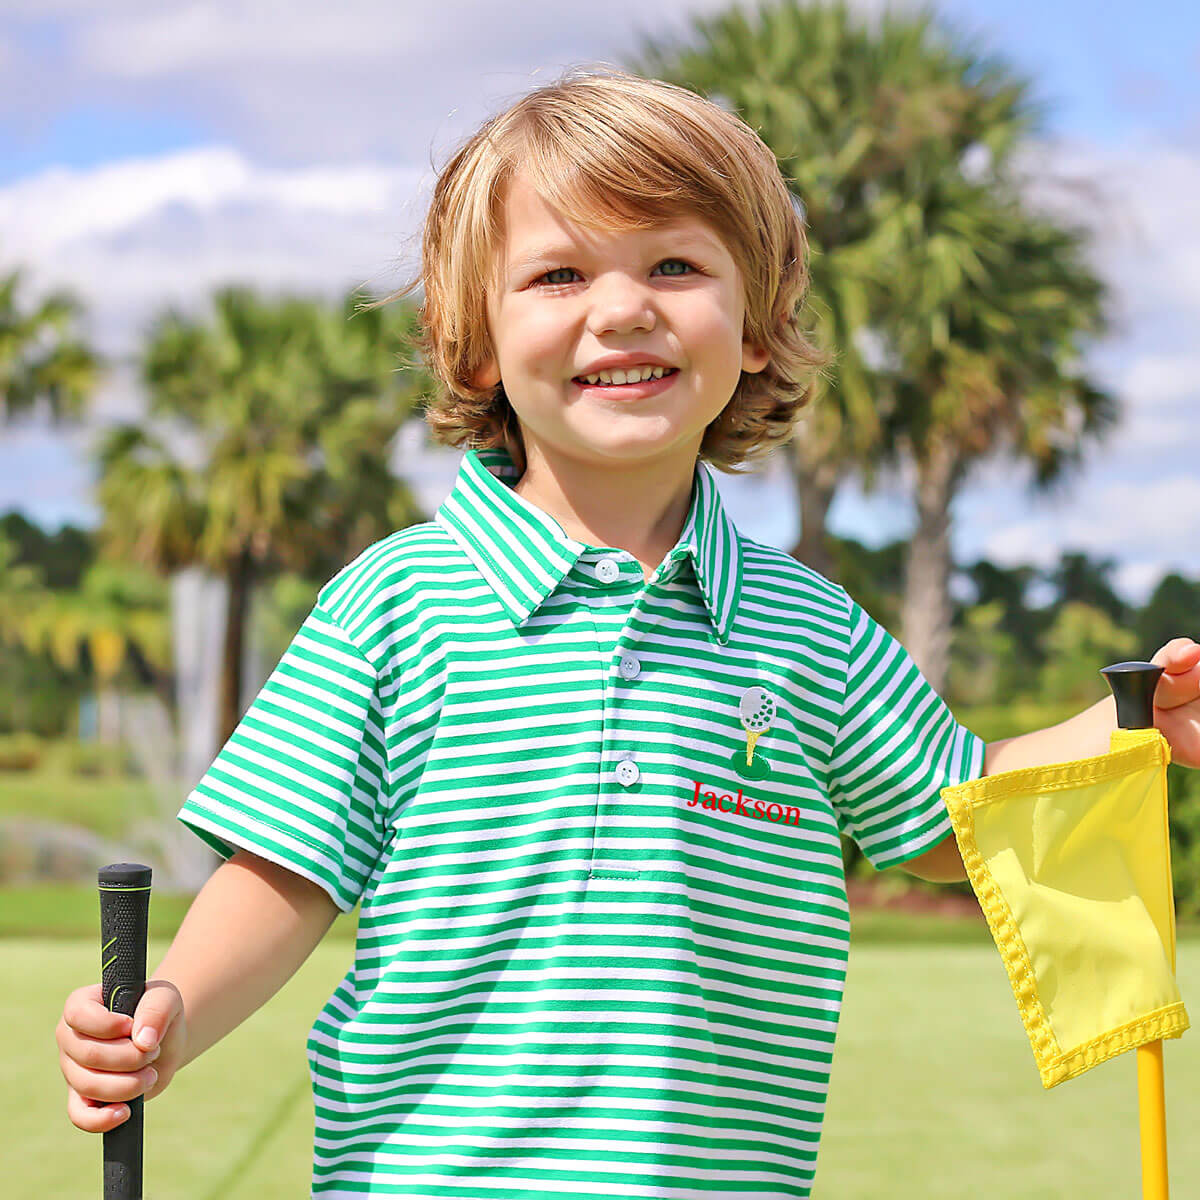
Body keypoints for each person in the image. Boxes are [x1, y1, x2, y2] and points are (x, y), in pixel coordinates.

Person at [56, 66, 1200, 1199]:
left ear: (753, 327)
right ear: (475, 344)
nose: (622, 308)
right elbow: (284, 872)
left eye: (675, 264)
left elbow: (959, 817)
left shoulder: (809, 629)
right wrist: (171, 1015)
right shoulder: (395, 604)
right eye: (558, 274)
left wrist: (1129, 716)